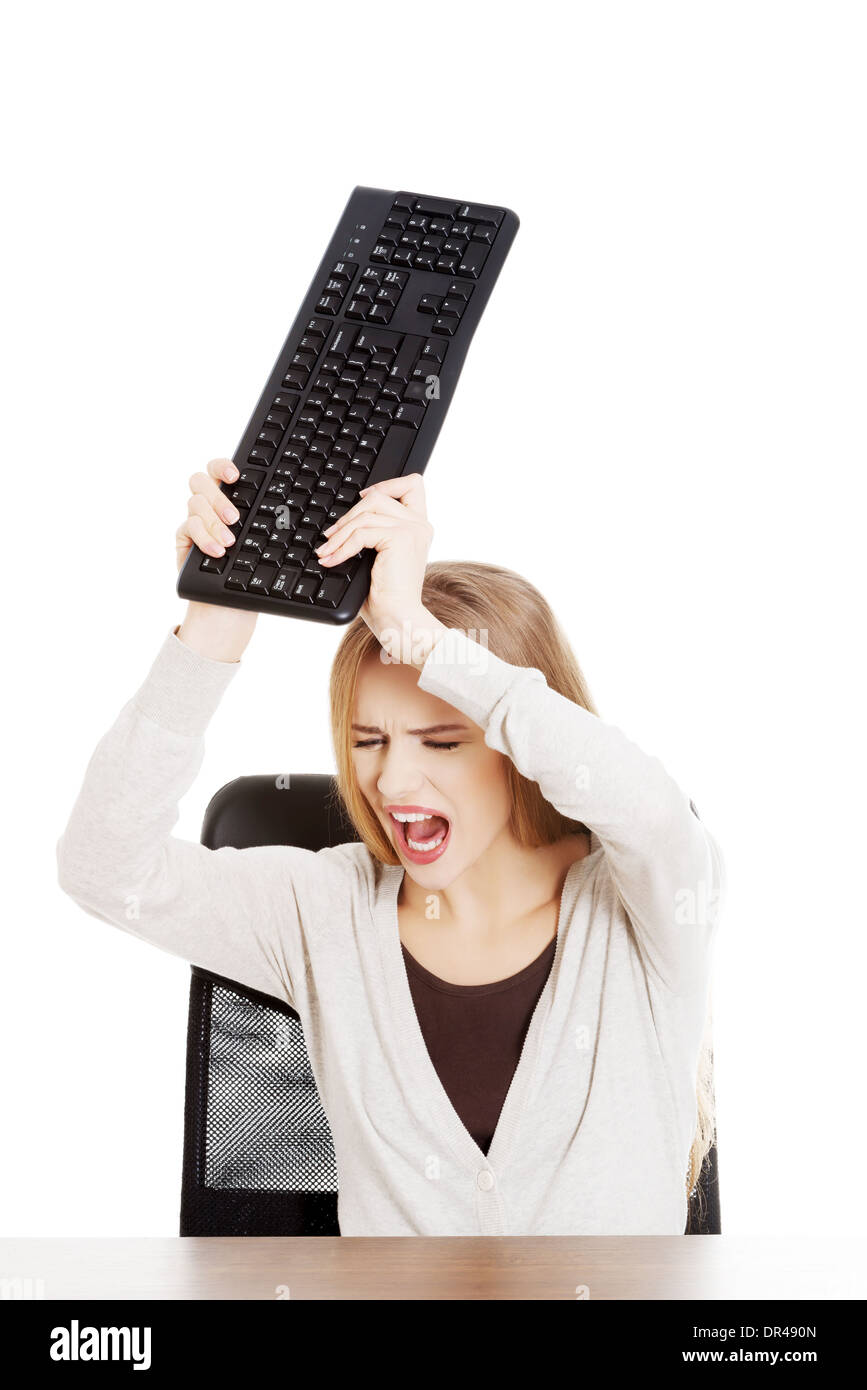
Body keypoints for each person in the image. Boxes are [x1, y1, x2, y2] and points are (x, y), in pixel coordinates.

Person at [57, 460, 724, 1236]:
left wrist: (417, 634)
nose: (392, 780)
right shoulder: (322, 910)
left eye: (443, 741)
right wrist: (214, 624)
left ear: (523, 746)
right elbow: (102, 867)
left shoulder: (646, 901)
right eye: (368, 739)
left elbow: (648, 806)